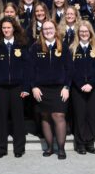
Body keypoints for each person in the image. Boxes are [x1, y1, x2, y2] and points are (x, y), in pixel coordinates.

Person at [28, 19, 71, 159]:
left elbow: (70, 70)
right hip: (41, 89)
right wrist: (33, 87)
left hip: (59, 88)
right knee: (45, 116)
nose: (48, 31)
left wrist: (66, 87)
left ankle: (61, 148)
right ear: (42, 31)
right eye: (45, 29)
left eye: (50, 28)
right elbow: (31, 70)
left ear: (55, 30)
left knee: (58, 115)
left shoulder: (63, 47)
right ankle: (50, 147)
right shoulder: (35, 47)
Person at [0, 17, 29, 158]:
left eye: (9, 27)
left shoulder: (21, 45)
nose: (6, 30)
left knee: (18, 118)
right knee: (1, 118)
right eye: (4, 28)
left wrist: (25, 87)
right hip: (0, 87)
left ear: (14, 29)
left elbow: (26, 68)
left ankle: (19, 148)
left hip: (18, 87)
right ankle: (0, 149)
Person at [68, 21, 95, 155]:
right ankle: (80, 143)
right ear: (78, 33)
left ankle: (90, 142)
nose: (84, 33)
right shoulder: (72, 49)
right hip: (78, 88)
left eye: (86, 31)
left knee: (92, 115)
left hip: (94, 88)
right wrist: (80, 84)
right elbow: (71, 70)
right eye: (81, 31)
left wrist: (91, 84)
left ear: (90, 33)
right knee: (80, 115)